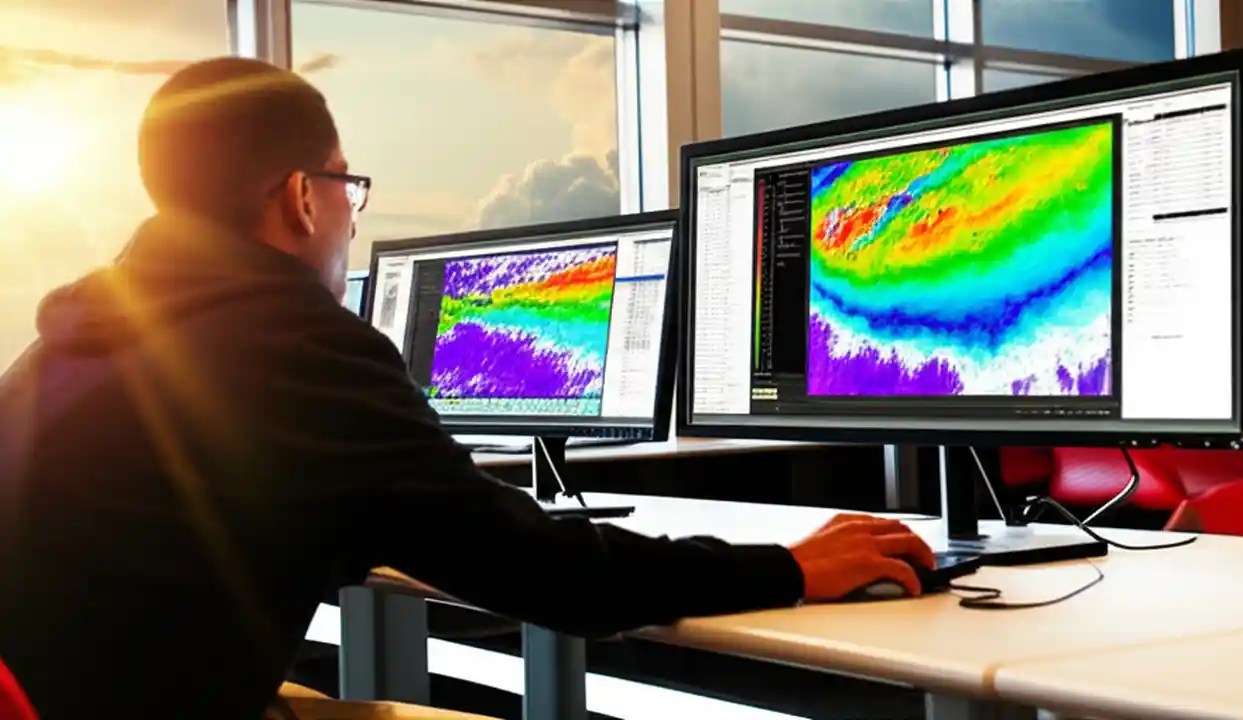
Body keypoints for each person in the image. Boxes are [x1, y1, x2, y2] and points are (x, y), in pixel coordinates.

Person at [0, 57, 934, 720]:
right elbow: (548, 575)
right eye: (346, 189)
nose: (348, 220)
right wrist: (792, 566)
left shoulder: (76, 337)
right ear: (300, 197)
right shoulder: (294, 344)